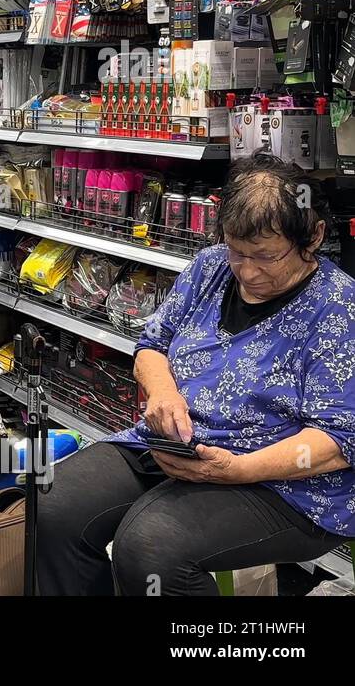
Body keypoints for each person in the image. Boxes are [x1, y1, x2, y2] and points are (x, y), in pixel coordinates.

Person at [38, 154, 355, 596]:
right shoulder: (210, 267)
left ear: (314, 237)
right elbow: (151, 345)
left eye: (265, 256)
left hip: (286, 483)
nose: (247, 271)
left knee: (149, 548)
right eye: (237, 251)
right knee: (51, 503)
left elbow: (337, 442)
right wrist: (164, 394)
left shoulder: (338, 308)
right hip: (180, 446)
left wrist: (236, 470)